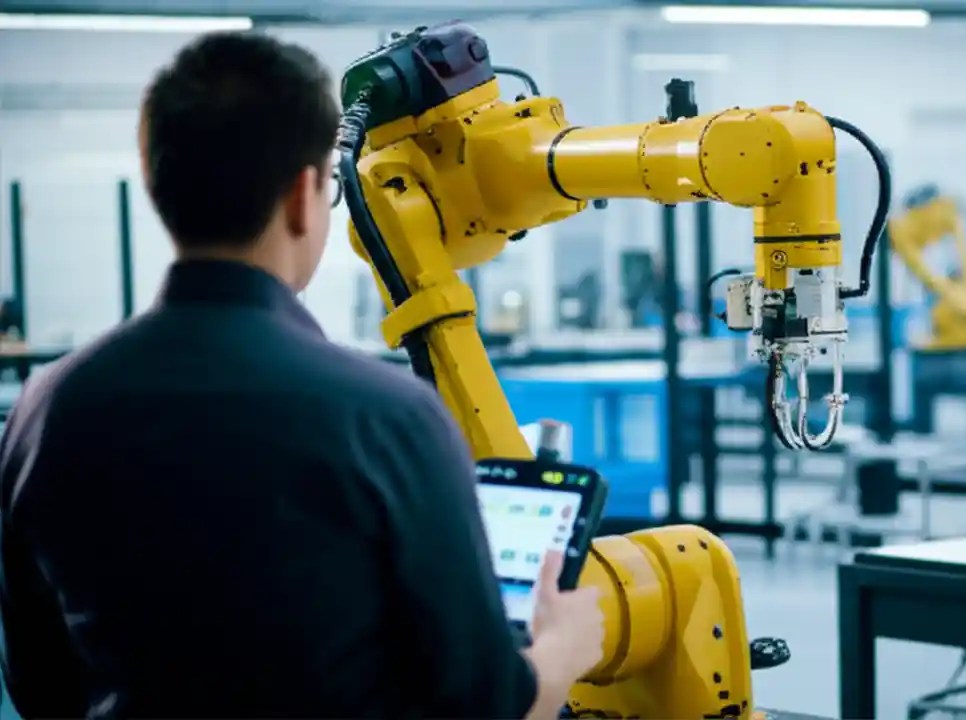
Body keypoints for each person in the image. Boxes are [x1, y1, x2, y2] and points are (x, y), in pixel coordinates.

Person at [0, 31, 603, 719]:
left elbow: (38, 685)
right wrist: (563, 650)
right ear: (302, 194)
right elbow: (483, 704)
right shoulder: (388, 418)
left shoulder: (45, 409)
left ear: (157, 180)